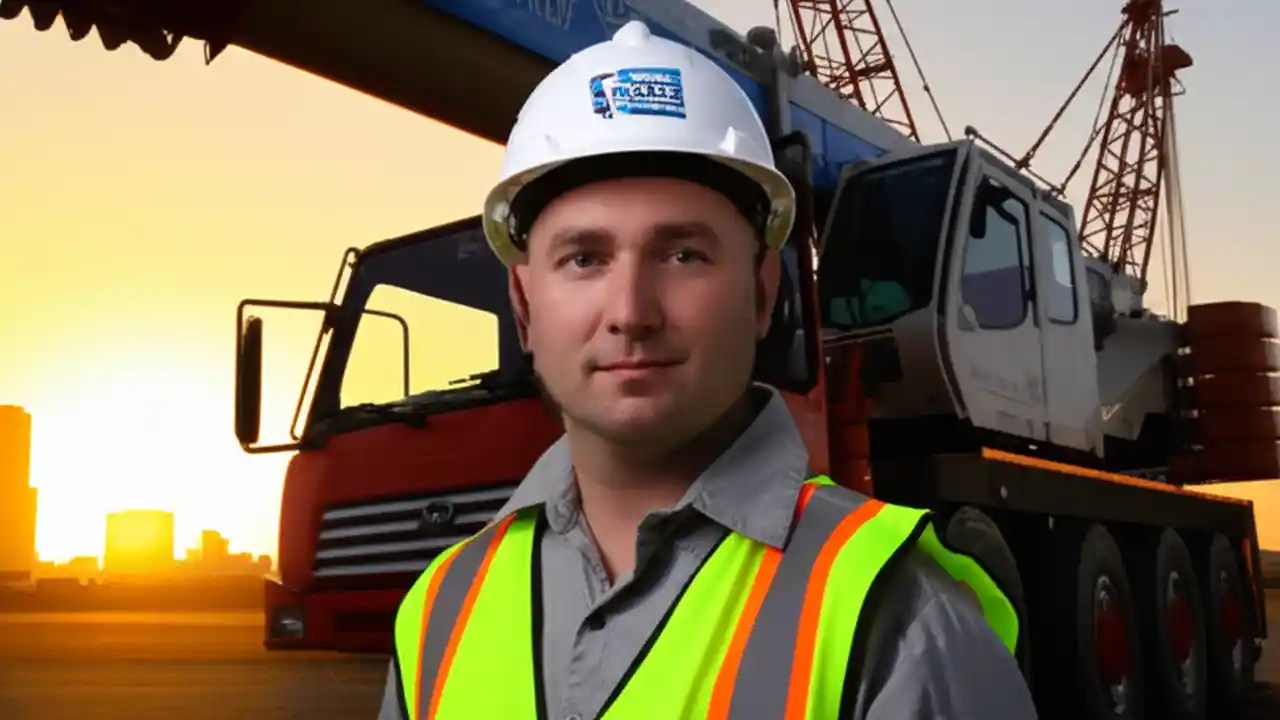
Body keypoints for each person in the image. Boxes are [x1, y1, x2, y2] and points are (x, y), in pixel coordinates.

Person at [378, 19, 1038, 720]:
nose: (631, 311)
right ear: (524, 305)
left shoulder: (898, 617)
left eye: (683, 254)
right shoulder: (437, 612)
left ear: (762, 294)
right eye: (584, 259)